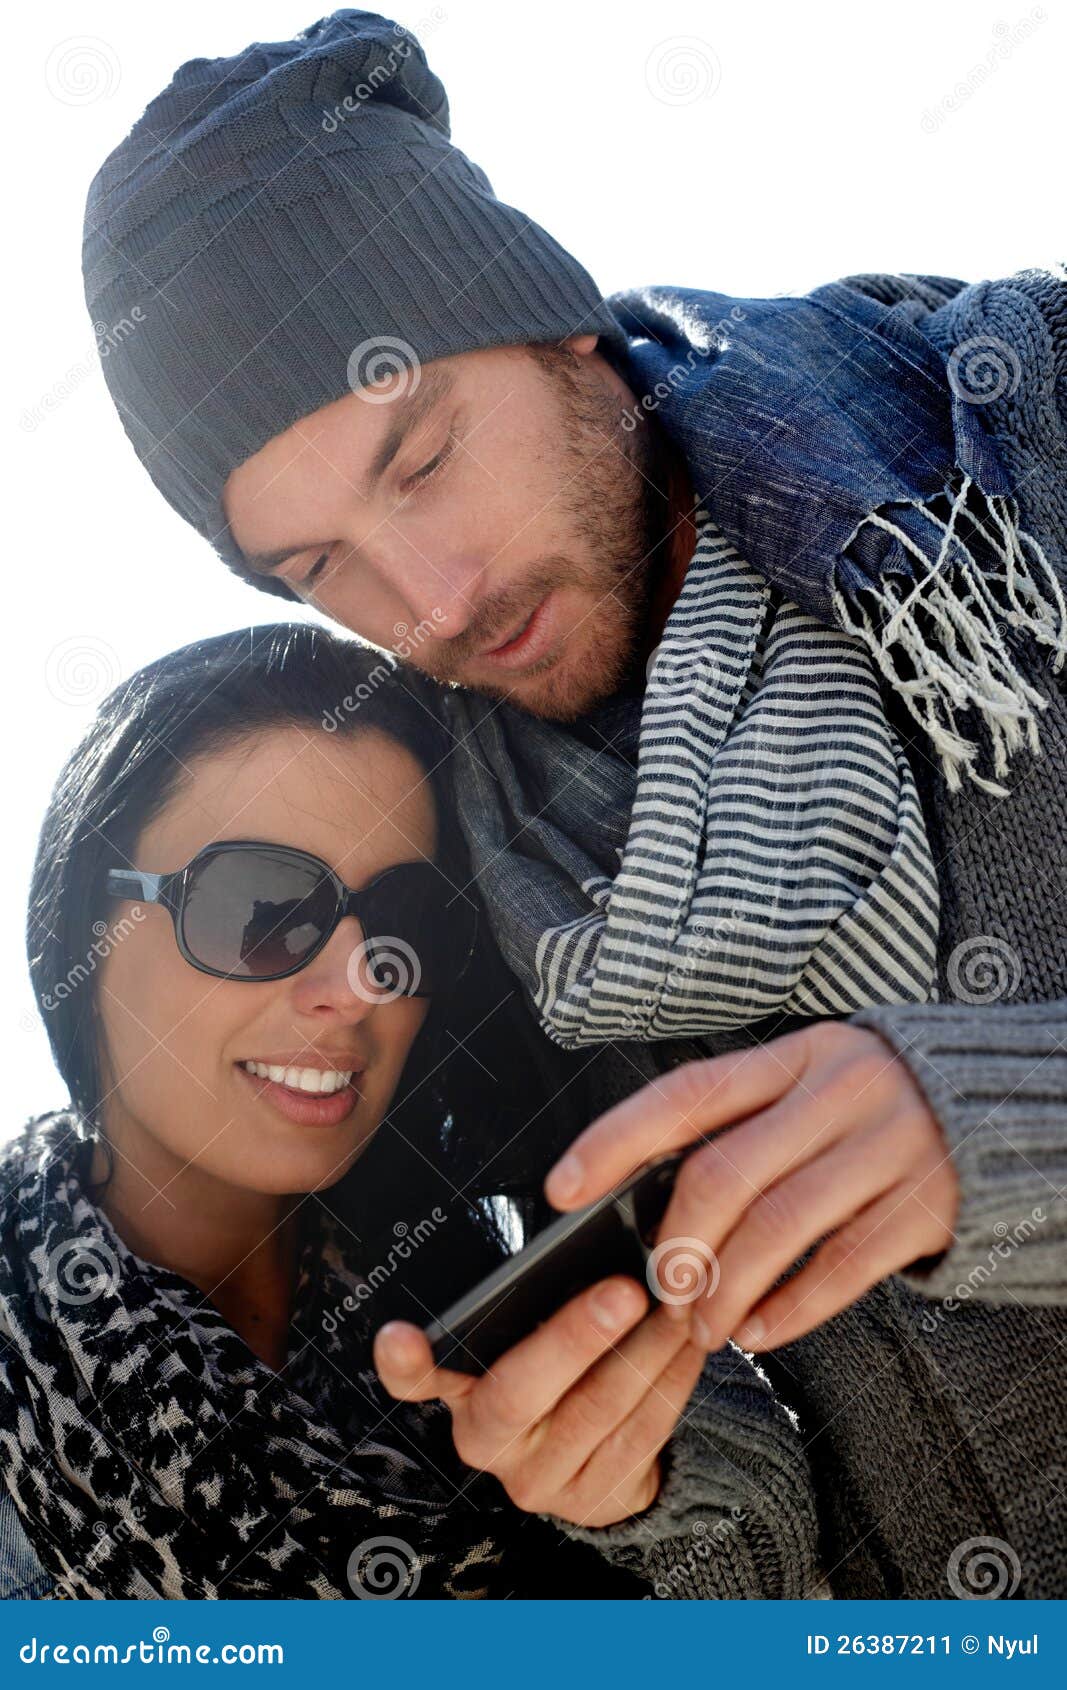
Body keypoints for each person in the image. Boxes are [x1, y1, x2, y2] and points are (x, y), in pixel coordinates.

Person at [81, 13, 1067, 1595]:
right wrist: (655, 1483)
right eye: (319, 565)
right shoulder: (435, 888)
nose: (432, 602)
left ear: (556, 326)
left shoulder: (1018, 431)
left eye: (421, 460)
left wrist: (1006, 1126)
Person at [2, 622, 821, 1601]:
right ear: (92, 919)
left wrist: (645, 1496)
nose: (358, 985)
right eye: (262, 908)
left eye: (405, 924)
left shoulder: (499, 1306)